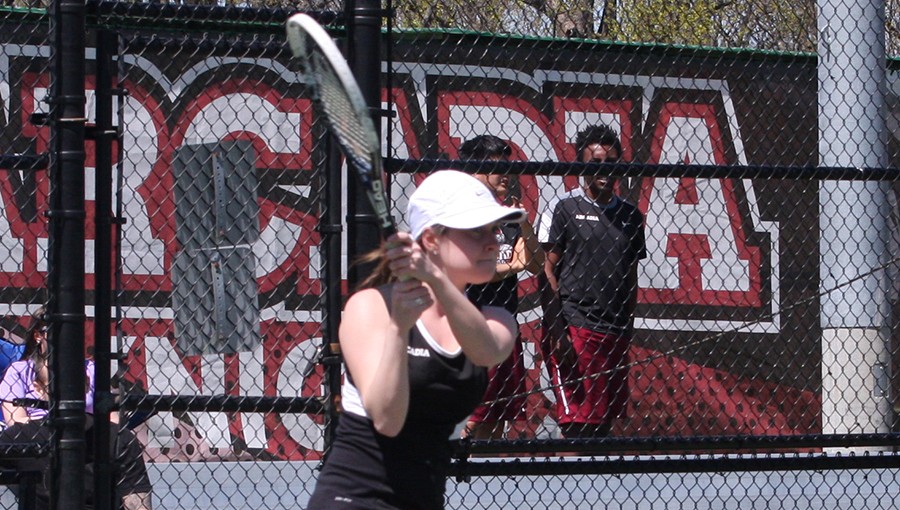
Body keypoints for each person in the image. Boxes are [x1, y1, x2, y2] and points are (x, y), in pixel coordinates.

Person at [307, 170, 526, 509]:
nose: (493, 241)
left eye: (494, 229)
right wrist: (399, 328)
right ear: (431, 240)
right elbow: (387, 419)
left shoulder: (495, 319)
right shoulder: (370, 307)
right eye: (475, 231)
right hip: (353, 500)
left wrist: (435, 280)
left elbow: (485, 350)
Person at [540, 124, 646, 438]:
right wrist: (559, 330)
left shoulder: (631, 215)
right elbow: (546, 271)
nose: (603, 170)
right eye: (595, 163)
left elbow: (631, 275)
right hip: (575, 327)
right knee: (578, 427)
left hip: (614, 332)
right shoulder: (565, 208)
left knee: (602, 426)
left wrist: (626, 330)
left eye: (610, 163)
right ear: (582, 167)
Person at [0, 312, 153, 510]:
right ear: (38, 336)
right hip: (38, 445)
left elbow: (112, 418)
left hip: (89, 437)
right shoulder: (20, 371)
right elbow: (17, 420)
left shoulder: (91, 369)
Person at [457, 135, 544, 440]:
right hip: (473, 329)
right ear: (474, 172)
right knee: (472, 421)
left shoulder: (509, 215)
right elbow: (474, 272)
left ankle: (483, 479)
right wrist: (513, 266)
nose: (505, 174)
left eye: (507, 167)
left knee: (496, 420)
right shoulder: (462, 215)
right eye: (496, 168)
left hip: (505, 326)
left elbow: (534, 263)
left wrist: (525, 225)